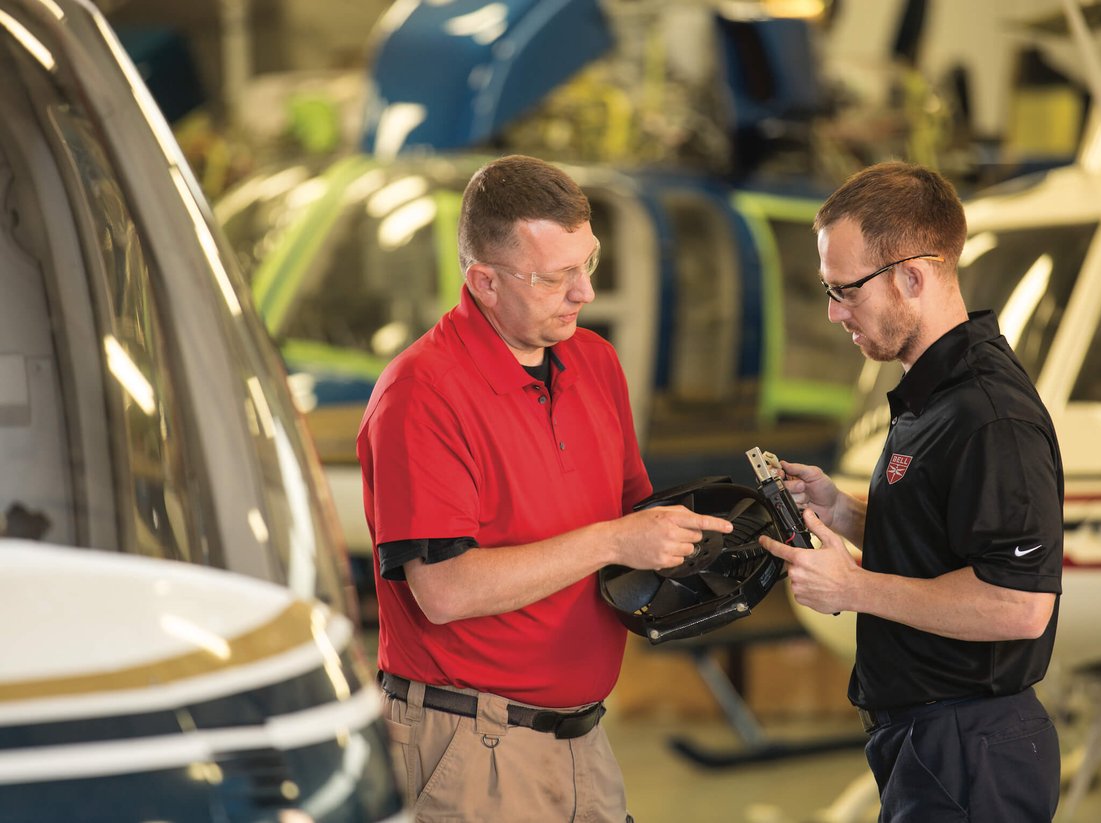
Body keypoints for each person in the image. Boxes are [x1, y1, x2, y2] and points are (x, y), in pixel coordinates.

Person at [357, 154, 732, 822]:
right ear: (484, 281)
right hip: (471, 747)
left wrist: (720, 543)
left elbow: (631, 523)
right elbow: (444, 591)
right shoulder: (422, 393)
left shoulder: (596, 362)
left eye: (589, 263)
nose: (584, 291)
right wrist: (613, 540)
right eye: (556, 276)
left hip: (584, 739)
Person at [759, 160, 1064, 822]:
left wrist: (853, 588)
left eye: (846, 290)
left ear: (912, 277)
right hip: (932, 738)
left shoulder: (989, 416)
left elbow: (1018, 606)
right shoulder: (933, 396)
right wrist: (843, 511)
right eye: (828, 290)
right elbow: (944, 537)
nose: (834, 312)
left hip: (969, 747)